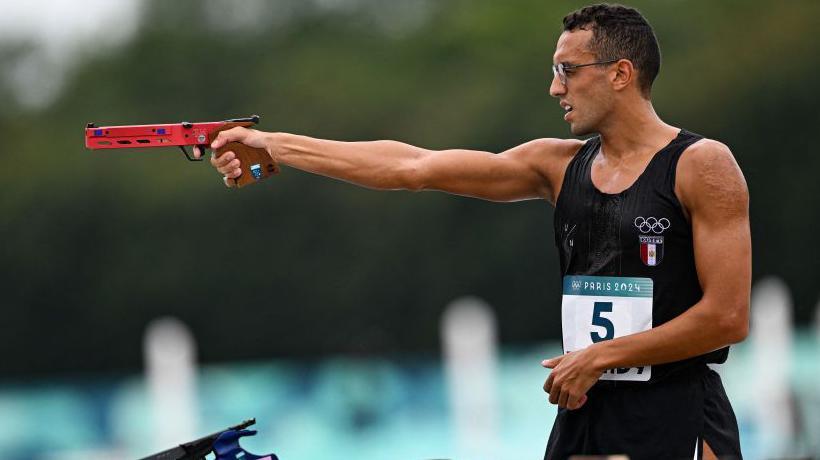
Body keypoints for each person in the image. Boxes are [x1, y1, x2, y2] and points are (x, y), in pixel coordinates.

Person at [195, 4, 750, 459]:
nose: (555, 88)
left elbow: (727, 317)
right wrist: (279, 147)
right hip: (586, 407)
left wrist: (601, 355)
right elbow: (411, 166)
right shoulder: (554, 165)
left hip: (676, 409)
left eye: (567, 70)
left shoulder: (701, 164)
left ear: (620, 73)